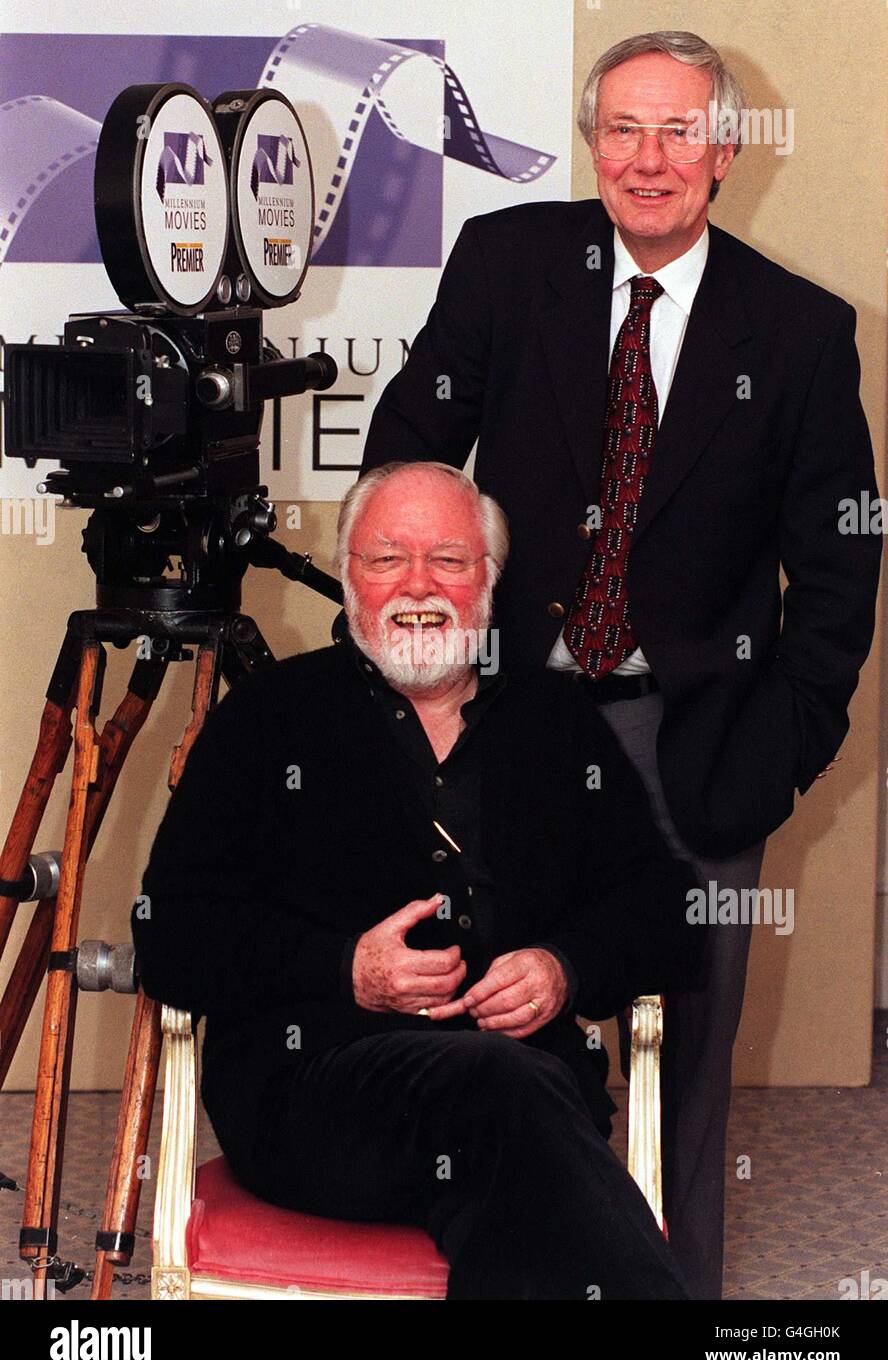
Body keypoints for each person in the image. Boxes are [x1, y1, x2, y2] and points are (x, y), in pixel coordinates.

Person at [359, 32, 883, 1298]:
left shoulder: (801, 333)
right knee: (461, 1016)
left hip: (693, 738)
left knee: (686, 1060)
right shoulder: (507, 264)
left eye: (677, 132)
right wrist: (419, 652)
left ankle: (674, 1298)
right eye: (623, 132)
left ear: (721, 152)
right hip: (499, 718)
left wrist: (779, 748)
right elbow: (405, 457)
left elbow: (837, 572)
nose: (648, 161)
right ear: (595, 144)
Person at [132, 459, 708, 1300]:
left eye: (448, 559)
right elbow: (171, 930)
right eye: (386, 559)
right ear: (345, 574)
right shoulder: (266, 718)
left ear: (489, 579)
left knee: (514, 1183)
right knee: (513, 1115)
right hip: (316, 1098)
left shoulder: (557, 724)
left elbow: (668, 910)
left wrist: (564, 968)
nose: (418, 585)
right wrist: (344, 970)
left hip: (527, 1092)